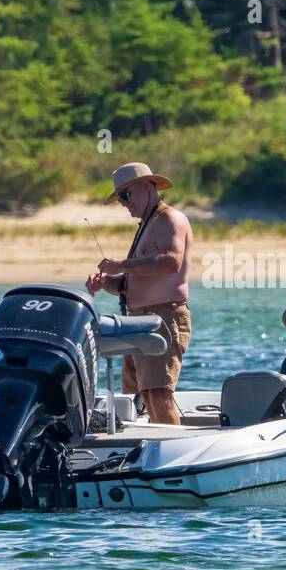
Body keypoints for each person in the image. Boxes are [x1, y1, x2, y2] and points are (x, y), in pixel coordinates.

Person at [85, 163, 192, 425]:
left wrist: (122, 264)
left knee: (158, 393)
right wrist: (108, 282)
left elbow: (170, 262)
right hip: (137, 322)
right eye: (120, 198)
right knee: (138, 396)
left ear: (148, 186)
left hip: (163, 318)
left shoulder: (170, 219)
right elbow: (132, 283)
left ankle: (171, 454)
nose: (123, 203)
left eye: (126, 195)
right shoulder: (147, 224)